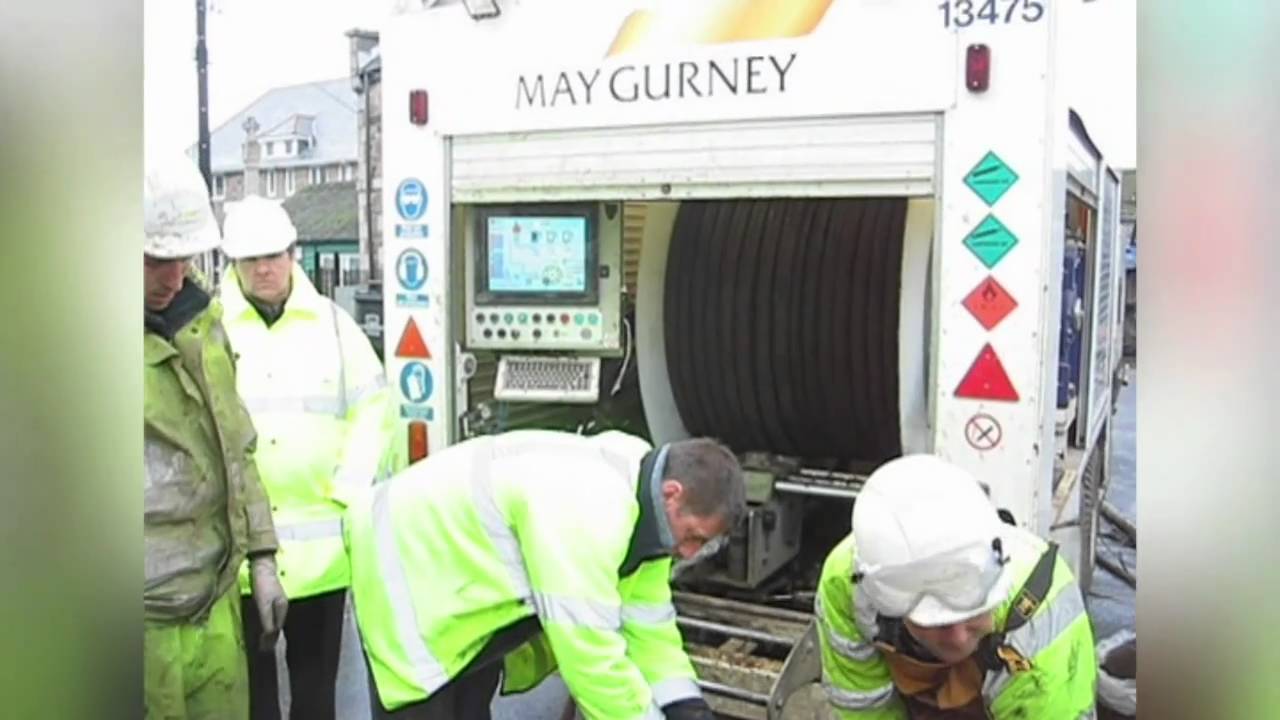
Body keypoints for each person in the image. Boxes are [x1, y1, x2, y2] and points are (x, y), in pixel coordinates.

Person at [345, 429, 747, 720]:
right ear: (672, 493)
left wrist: (687, 709)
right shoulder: (592, 513)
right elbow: (592, 661)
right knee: (423, 709)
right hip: (405, 564)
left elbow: (650, 631)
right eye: (693, 535)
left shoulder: (647, 509)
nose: (689, 552)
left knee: (467, 709)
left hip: (461, 593)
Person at [217, 195, 392, 720]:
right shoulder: (212, 331)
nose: (264, 269)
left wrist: (349, 493)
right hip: (242, 555)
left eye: (273, 255)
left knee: (316, 696)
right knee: (252, 700)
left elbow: (375, 411)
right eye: (251, 260)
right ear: (234, 264)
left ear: (294, 253)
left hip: (322, 558)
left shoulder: (336, 328)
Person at [144, 155, 287, 719]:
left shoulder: (203, 323)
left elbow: (235, 447)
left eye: (181, 257)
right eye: (155, 259)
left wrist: (264, 557)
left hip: (215, 604)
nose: (173, 277)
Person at [814, 455, 1097, 719]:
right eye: (936, 624)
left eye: (972, 612)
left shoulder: (1042, 616)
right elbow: (865, 710)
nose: (958, 638)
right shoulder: (846, 585)